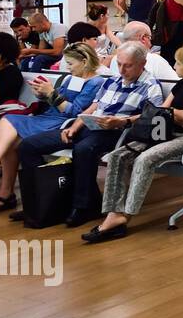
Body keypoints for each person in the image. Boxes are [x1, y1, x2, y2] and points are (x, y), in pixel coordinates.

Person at [82, 43, 183, 244]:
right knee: (118, 156)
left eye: (178, 62)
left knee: (145, 159)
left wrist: (173, 114)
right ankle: (113, 213)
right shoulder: (181, 85)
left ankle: (126, 216)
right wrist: (178, 116)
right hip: (166, 133)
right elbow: (161, 113)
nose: (174, 65)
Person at [17, 41, 163, 227]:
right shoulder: (111, 81)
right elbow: (94, 107)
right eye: (119, 64)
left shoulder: (150, 86)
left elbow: (151, 116)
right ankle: (39, 200)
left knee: (84, 149)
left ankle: (83, 206)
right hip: (90, 125)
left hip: (117, 131)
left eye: (128, 65)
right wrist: (75, 126)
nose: (122, 69)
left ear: (142, 64)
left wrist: (122, 121)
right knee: (28, 145)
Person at [0, 43, 105, 215]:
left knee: (10, 126)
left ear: (84, 61)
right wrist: (43, 94)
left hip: (62, 123)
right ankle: (0, 176)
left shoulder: (97, 82)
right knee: (9, 128)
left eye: (70, 64)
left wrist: (51, 93)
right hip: (49, 118)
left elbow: (76, 112)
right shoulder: (71, 79)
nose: (67, 68)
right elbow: (56, 102)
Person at [107, 21, 178, 80]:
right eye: (150, 38)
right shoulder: (155, 60)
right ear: (143, 38)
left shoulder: (115, 60)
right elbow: (174, 85)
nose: (150, 44)